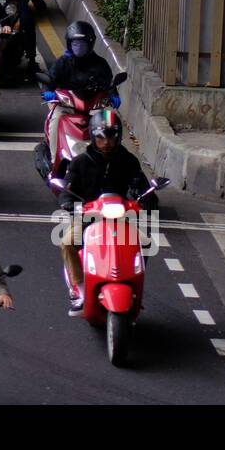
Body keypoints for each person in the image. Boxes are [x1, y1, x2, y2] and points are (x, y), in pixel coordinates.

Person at [56, 109, 153, 315]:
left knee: (145, 242)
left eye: (110, 137)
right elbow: (68, 191)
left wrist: (145, 198)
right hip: (89, 216)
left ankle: (134, 287)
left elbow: (143, 188)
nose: (106, 142)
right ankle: (79, 290)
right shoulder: (80, 162)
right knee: (67, 243)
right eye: (101, 137)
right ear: (93, 137)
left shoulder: (128, 161)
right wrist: (68, 203)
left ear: (118, 137)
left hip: (122, 218)